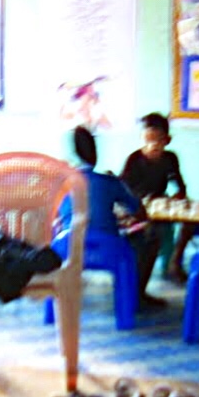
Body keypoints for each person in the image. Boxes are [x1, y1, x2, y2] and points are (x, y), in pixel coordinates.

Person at [71, 126, 164, 311]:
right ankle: (137, 295)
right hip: (108, 247)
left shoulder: (61, 182)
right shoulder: (109, 182)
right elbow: (140, 212)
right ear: (95, 154)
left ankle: (60, 294)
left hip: (68, 248)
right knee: (150, 237)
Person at [119, 113, 189, 287]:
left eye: (158, 141)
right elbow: (123, 189)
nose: (152, 146)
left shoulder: (170, 158)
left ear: (167, 140)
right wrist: (142, 199)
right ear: (142, 139)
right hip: (138, 208)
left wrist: (179, 194)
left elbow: (179, 184)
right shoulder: (134, 159)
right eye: (148, 140)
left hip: (161, 206)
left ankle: (174, 262)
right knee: (155, 231)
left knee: (189, 224)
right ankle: (144, 271)